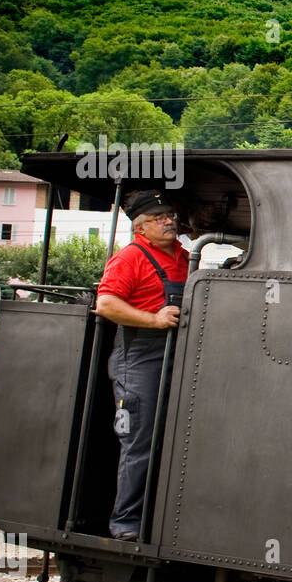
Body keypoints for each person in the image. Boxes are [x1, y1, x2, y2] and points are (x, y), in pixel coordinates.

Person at [95, 190, 189, 541]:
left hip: (175, 353)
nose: (169, 221)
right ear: (141, 227)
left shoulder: (184, 257)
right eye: (159, 218)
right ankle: (126, 524)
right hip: (139, 358)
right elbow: (106, 304)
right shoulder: (130, 258)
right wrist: (153, 319)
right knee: (140, 441)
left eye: (170, 215)